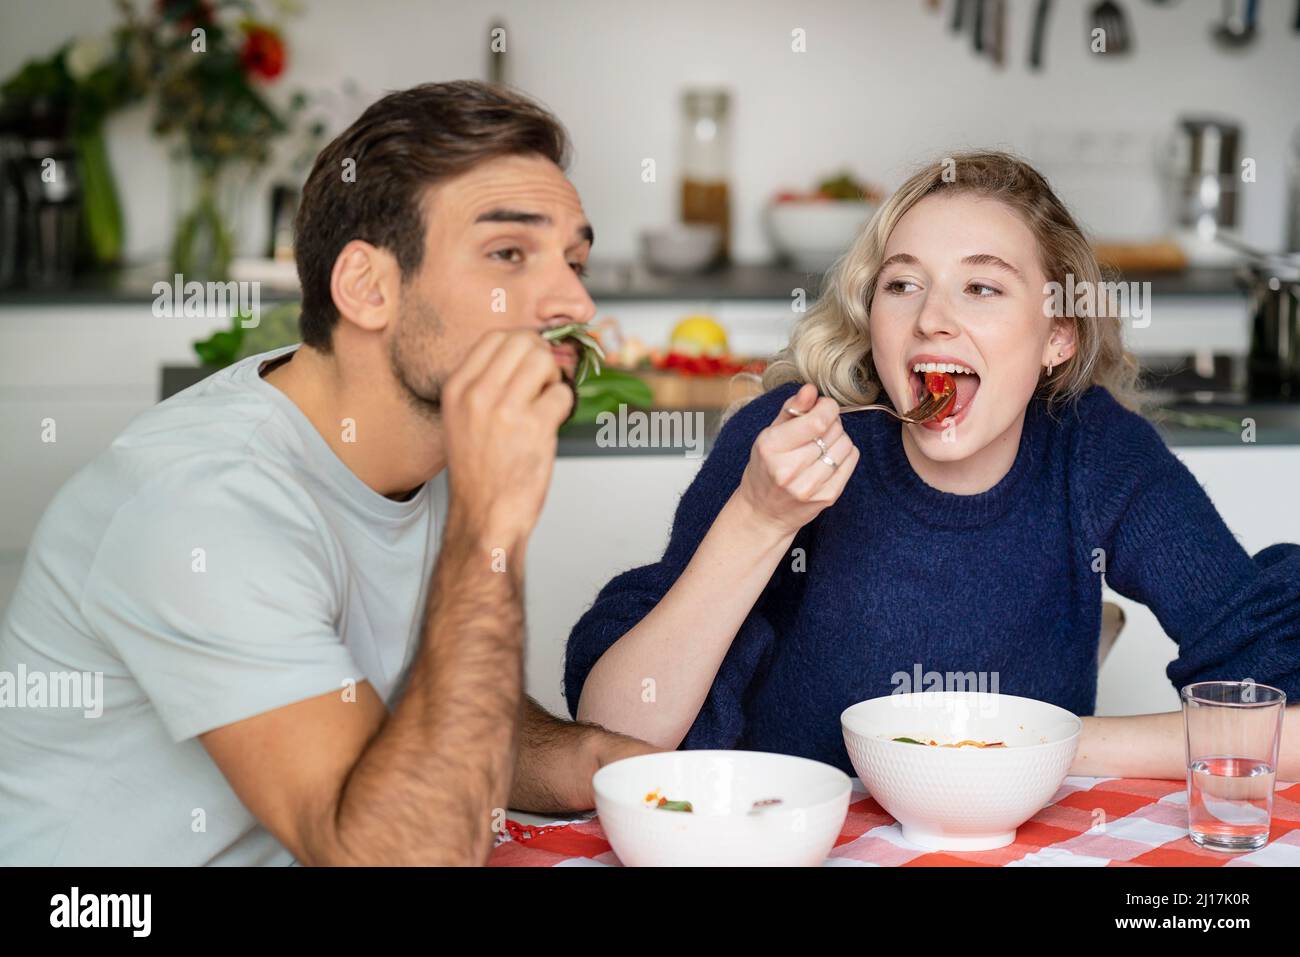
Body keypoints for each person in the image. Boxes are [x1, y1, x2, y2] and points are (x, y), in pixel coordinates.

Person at [0, 80, 654, 866]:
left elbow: (436, 706)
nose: (573, 301)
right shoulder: (207, 503)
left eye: (574, 260)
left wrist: (594, 763)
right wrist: (492, 521)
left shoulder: (425, 435)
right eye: (508, 254)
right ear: (367, 287)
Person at [565, 150, 1300, 779]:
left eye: (981, 287)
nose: (931, 319)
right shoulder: (783, 438)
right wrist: (759, 520)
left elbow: (1283, 720)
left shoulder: (1093, 451)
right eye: (902, 284)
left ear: (1057, 338)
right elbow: (621, 736)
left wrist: (1043, 745)